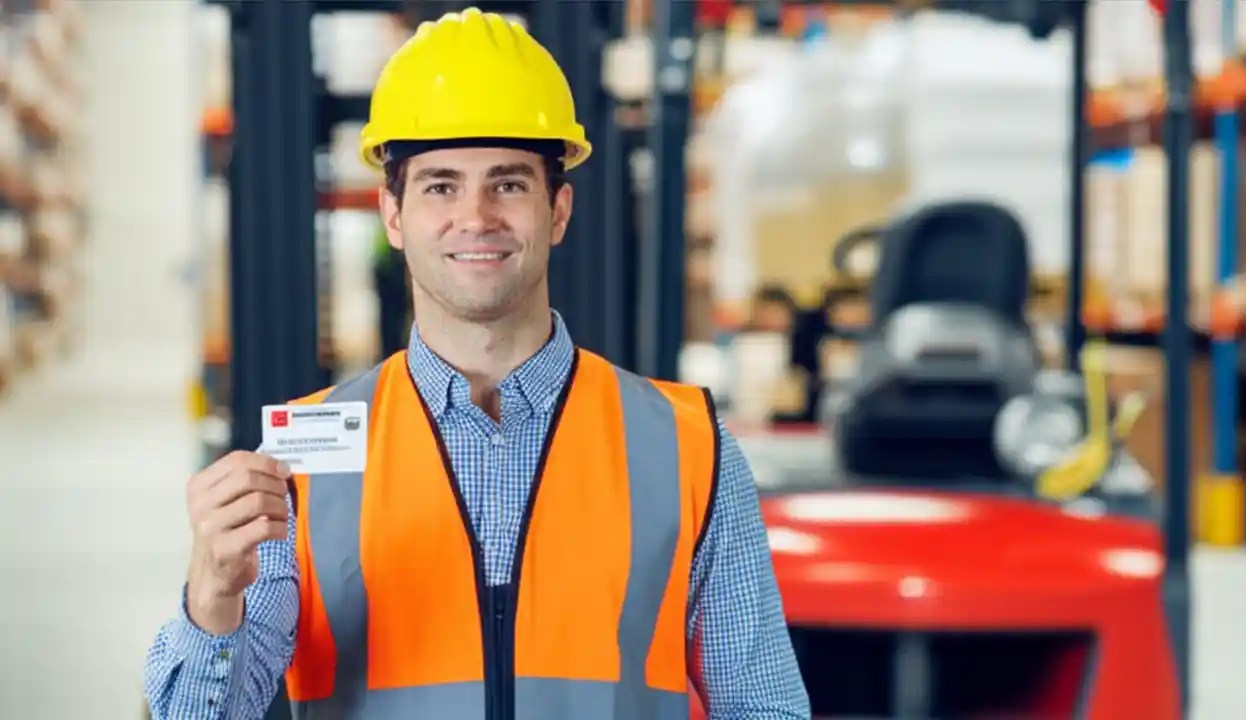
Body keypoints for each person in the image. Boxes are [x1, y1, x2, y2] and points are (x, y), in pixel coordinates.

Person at [142, 8, 809, 719]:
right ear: (393, 215)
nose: (476, 216)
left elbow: (764, 707)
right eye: (440, 185)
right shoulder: (301, 463)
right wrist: (212, 594)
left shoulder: (688, 449)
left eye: (508, 183)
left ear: (559, 210)